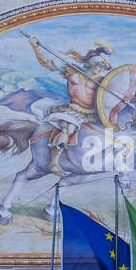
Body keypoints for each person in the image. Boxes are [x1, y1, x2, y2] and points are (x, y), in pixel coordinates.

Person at [26, 33, 113, 176]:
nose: (103, 68)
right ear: (92, 63)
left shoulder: (103, 82)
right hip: (72, 110)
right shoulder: (73, 73)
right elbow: (48, 63)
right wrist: (35, 47)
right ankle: (54, 162)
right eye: (100, 65)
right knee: (68, 128)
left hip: (91, 113)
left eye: (104, 66)